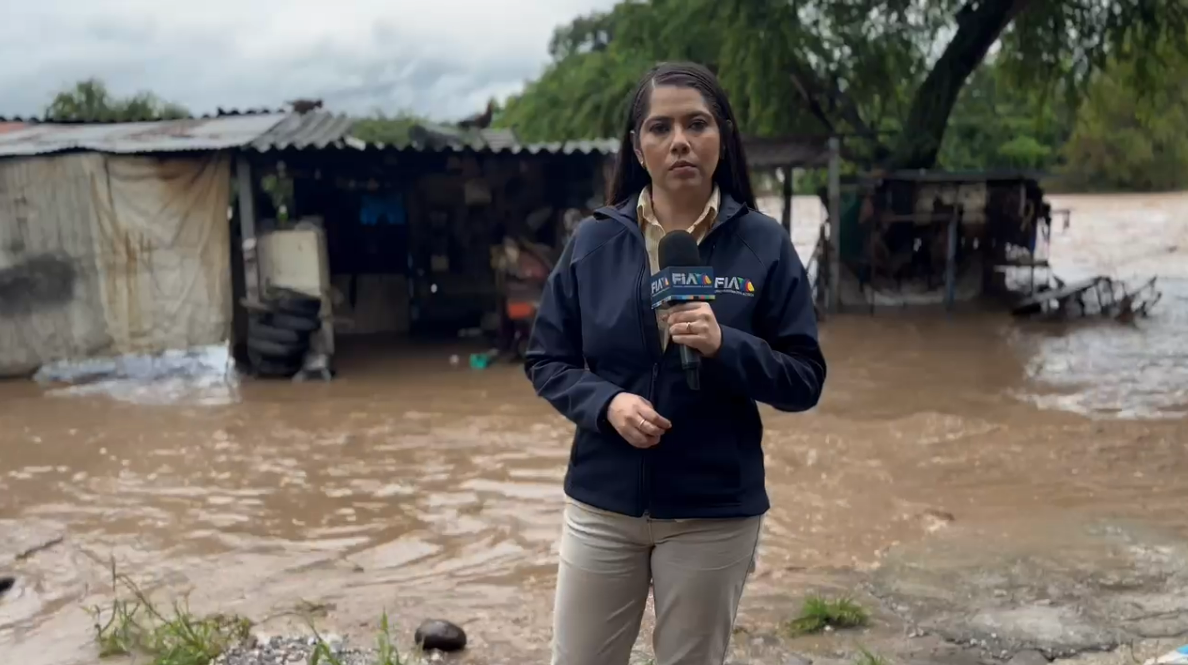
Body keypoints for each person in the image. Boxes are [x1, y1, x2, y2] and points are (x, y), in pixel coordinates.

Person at [524, 61, 827, 665]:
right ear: (638, 148)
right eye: (660, 128)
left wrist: (726, 345)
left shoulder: (763, 245)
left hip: (713, 511)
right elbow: (546, 360)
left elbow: (804, 379)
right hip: (604, 502)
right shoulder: (593, 242)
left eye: (697, 124)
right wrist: (605, 403)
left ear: (723, 137)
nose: (680, 140)